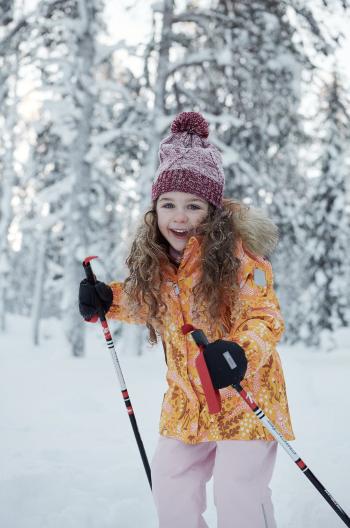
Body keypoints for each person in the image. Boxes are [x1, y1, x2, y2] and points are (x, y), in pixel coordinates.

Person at [79, 111, 294, 528]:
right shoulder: (157, 264)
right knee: (171, 483)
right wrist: (107, 300)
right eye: (168, 205)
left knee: (236, 493)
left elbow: (265, 317)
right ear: (154, 209)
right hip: (186, 402)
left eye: (193, 205)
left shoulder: (239, 258)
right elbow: (146, 304)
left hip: (245, 395)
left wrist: (240, 351)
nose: (179, 217)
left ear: (211, 211)